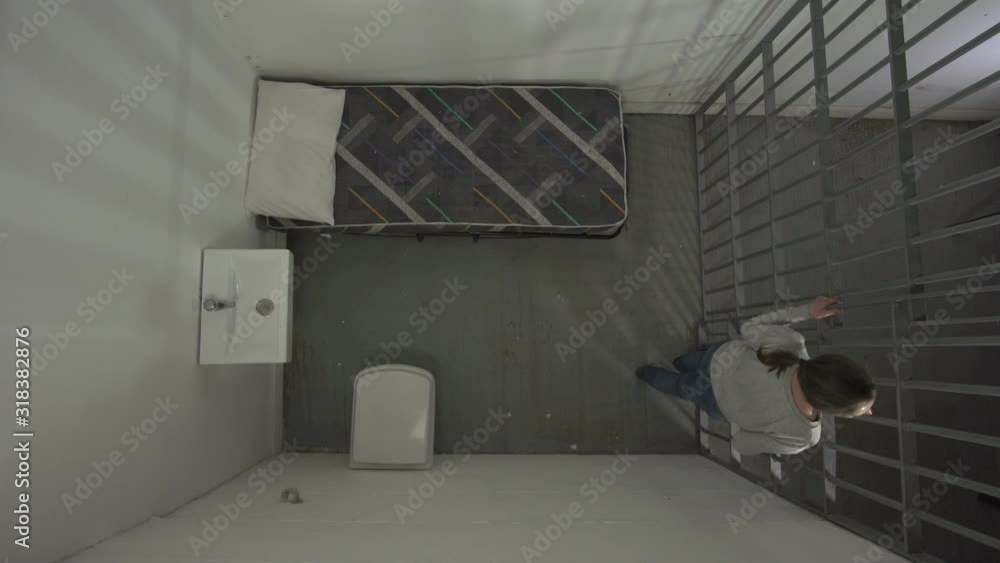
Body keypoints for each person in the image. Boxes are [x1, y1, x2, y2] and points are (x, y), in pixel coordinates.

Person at [636, 295, 876, 455]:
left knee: (690, 361)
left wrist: (806, 311)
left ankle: (679, 362)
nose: (869, 412)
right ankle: (644, 372)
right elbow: (741, 444)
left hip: (719, 359)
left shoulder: (791, 345)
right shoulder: (803, 436)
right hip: (717, 402)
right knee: (679, 387)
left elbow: (749, 328)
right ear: (832, 406)